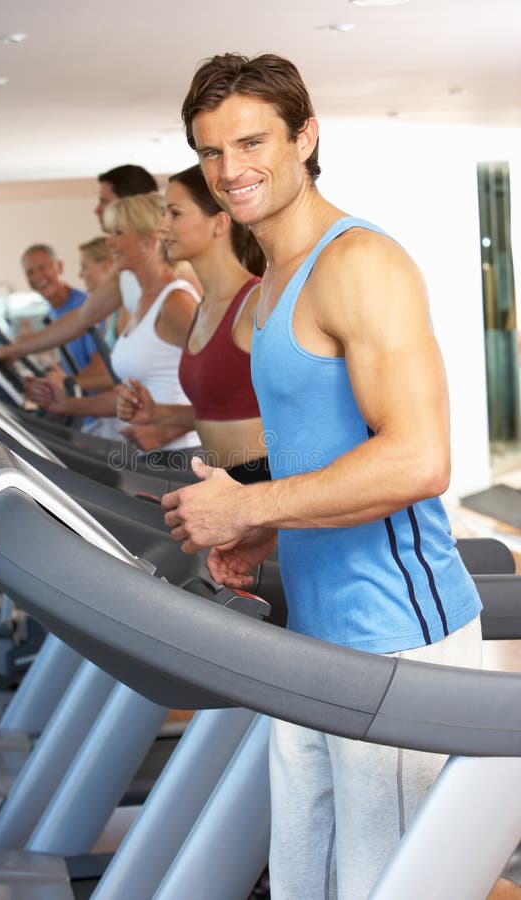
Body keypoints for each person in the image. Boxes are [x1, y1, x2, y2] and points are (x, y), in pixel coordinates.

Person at [161, 53, 485, 900]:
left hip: (396, 635)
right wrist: (264, 524)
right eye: (210, 152)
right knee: (308, 877)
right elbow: (326, 450)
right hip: (316, 631)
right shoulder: (269, 290)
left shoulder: (360, 263)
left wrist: (249, 505)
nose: (231, 170)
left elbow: (418, 459)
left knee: (395, 883)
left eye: (252, 140)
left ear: (306, 136)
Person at [116, 164, 270, 483]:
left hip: (261, 481)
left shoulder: (256, 303)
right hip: (221, 480)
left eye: (174, 214)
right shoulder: (204, 308)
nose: (162, 227)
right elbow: (225, 411)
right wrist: (158, 413)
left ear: (219, 223)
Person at [33, 191, 200, 453]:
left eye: (118, 233)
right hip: (149, 455)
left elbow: (230, 389)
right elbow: (125, 399)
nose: (109, 242)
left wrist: (166, 431)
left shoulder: (176, 302)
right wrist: (66, 404)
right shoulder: (140, 304)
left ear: (150, 241)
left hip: (184, 454)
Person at [0, 164, 199, 369]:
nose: (97, 210)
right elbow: (82, 318)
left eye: (104, 201)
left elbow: (206, 357)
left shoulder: (179, 288)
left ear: (130, 204)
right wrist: (14, 350)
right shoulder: (125, 274)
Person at [20, 243, 98, 376]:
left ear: (60, 267)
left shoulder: (86, 306)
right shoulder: (52, 313)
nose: (37, 277)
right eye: (30, 272)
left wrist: (66, 385)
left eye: (42, 268)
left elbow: (101, 369)